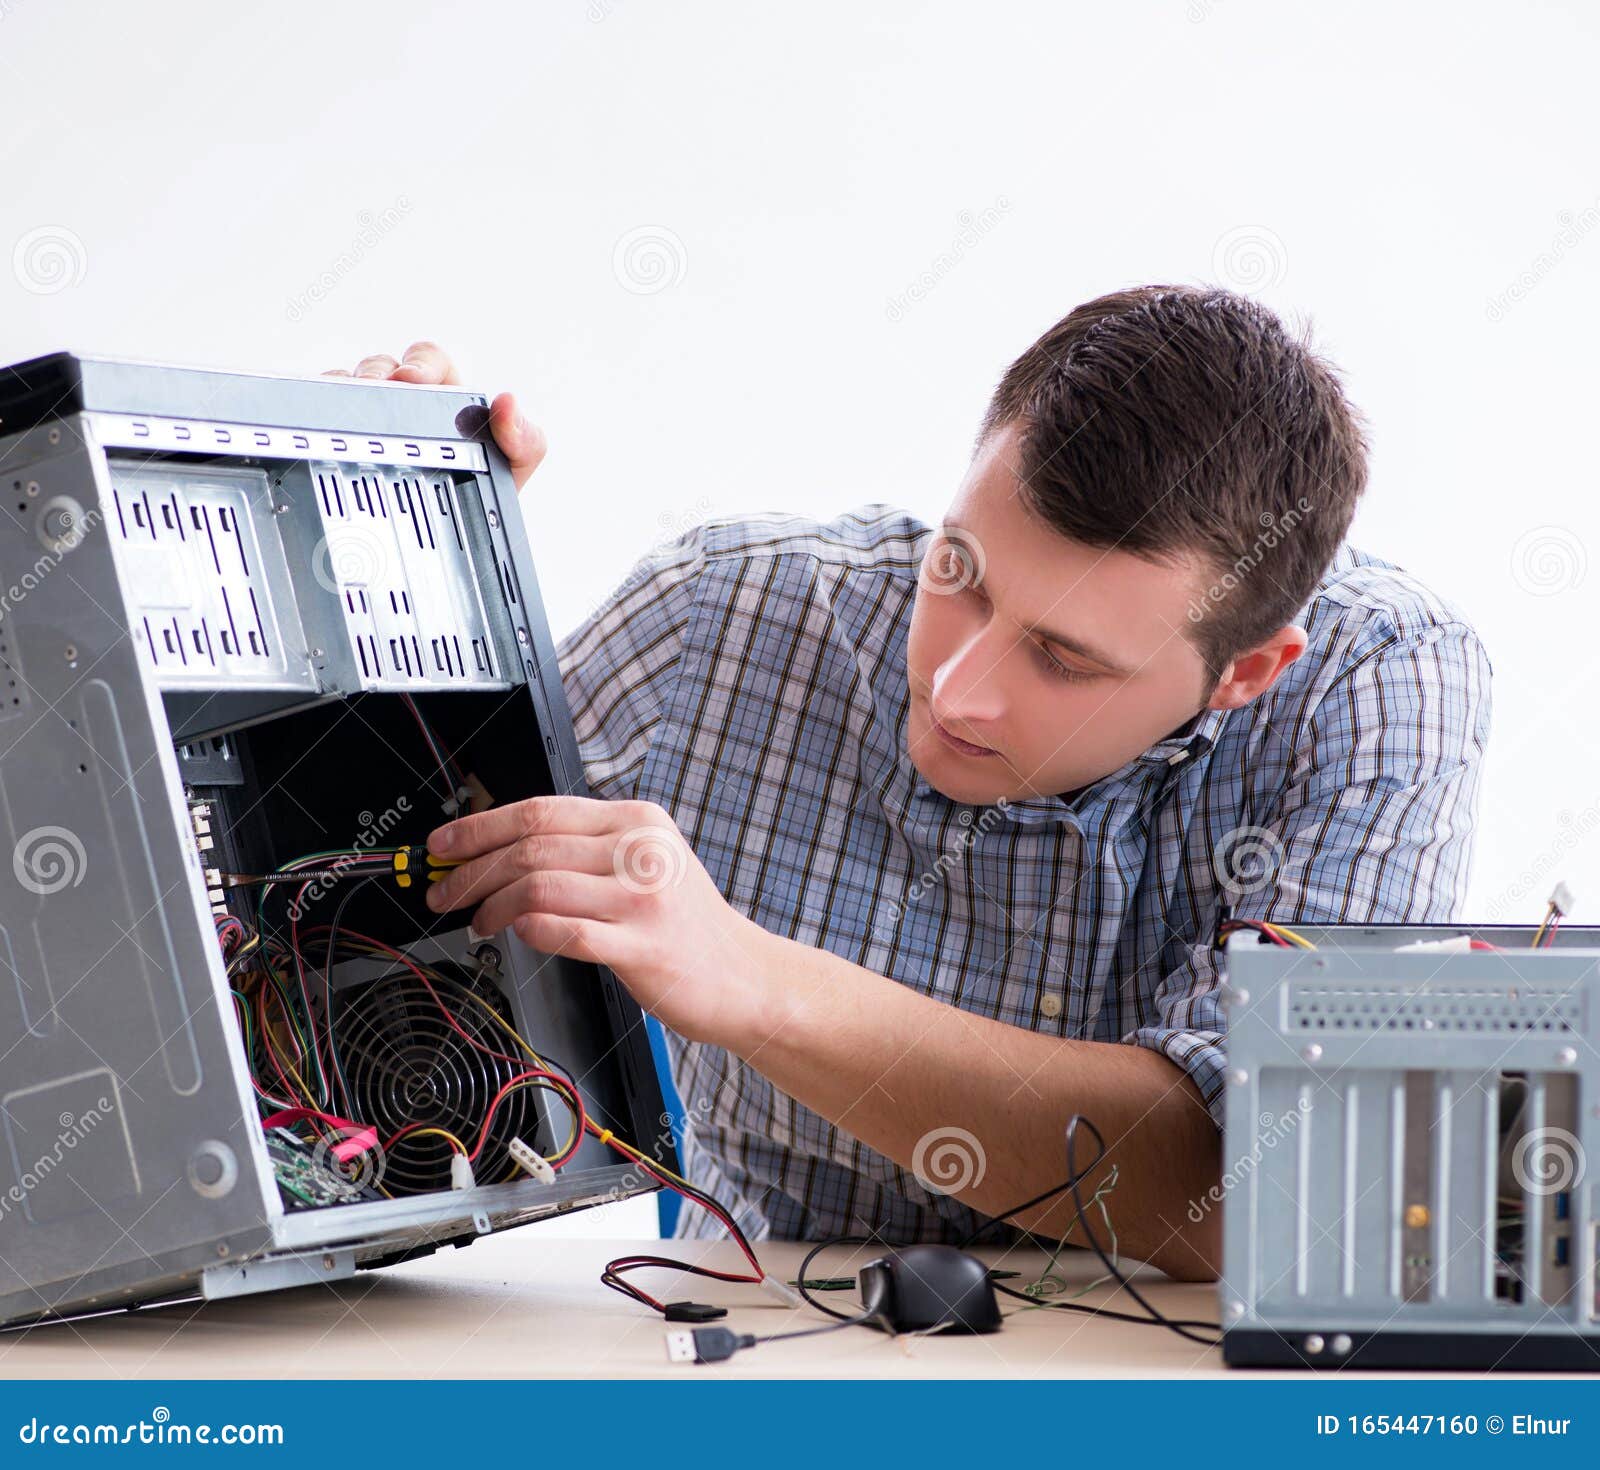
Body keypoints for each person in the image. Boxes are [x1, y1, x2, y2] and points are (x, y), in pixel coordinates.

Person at [330, 284, 1490, 1280]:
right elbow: (353, 890)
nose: (955, 689)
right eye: (959, 573)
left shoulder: (1377, 683)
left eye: (1063, 659)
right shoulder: (723, 617)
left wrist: (756, 983)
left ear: (1243, 674)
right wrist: (395, 581)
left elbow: (1266, 1190)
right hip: (778, 1365)